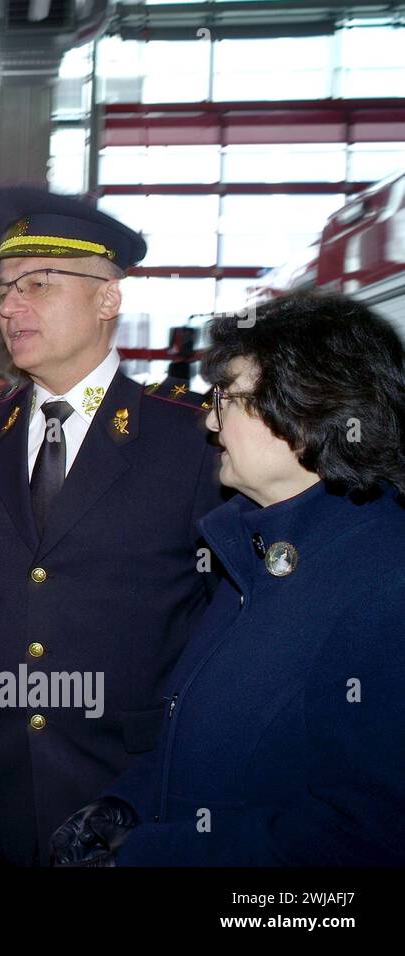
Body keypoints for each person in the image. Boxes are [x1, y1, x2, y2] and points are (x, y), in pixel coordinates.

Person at [52, 292, 405, 866]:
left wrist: (149, 856)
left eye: (228, 399)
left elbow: (366, 836)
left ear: (309, 408)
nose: (211, 420)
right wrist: (124, 807)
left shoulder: (385, 583)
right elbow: (198, 734)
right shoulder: (256, 550)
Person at [0, 184, 223, 866]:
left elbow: (217, 622)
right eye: (4, 289)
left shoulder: (190, 438)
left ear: (107, 298)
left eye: (37, 283)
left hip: (128, 799)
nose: (10, 305)